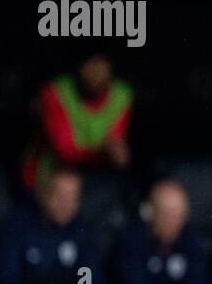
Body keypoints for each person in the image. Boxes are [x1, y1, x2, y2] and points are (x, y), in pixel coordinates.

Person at [22, 54, 133, 192]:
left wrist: (118, 154)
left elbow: (116, 141)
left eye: (101, 65)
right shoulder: (55, 92)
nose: (96, 72)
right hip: (48, 176)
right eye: (90, 64)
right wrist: (103, 153)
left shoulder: (121, 94)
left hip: (96, 179)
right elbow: (63, 149)